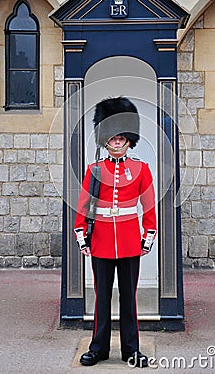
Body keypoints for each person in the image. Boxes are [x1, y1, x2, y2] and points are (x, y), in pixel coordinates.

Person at [74, 96, 157, 368]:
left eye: (122, 136)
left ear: (129, 140)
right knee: (102, 298)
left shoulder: (141, 169)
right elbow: (84, 204)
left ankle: (131, 350)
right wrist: (81, 234)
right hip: (101, 241)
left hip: (130, 240)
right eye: (113, 137)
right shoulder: (95, 170)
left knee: (128, 300)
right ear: (105, 140)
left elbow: (147, 206)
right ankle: (98, 348)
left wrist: (149, 234)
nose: (117, 141)